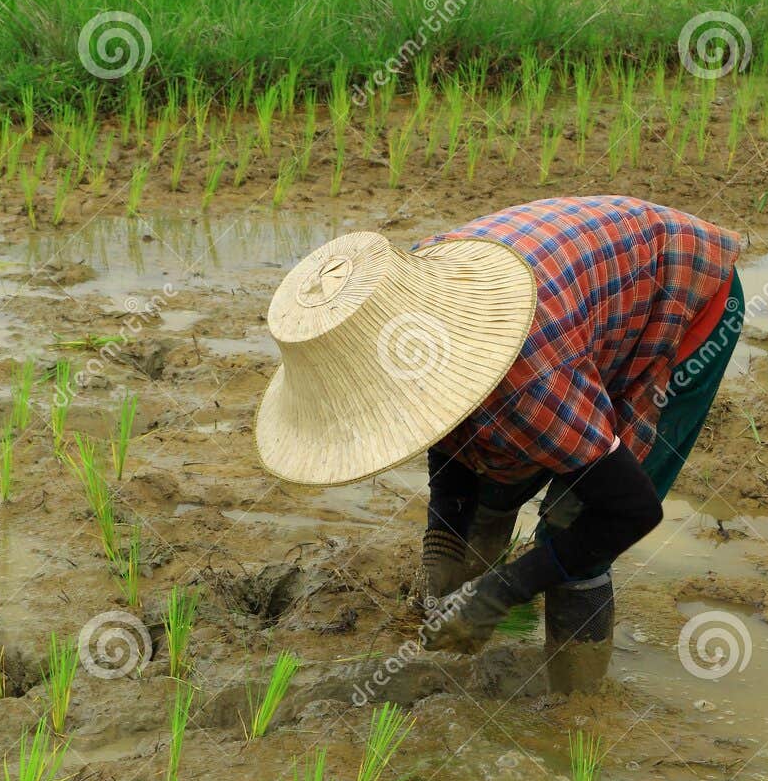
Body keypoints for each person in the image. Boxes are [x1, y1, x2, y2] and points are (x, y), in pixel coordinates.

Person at [253, 195, 743, 692]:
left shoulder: (531, 380)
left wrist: (500, 592)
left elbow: (632, 511)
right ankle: (479, 625)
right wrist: (443, 539)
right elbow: (439, 425)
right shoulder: (393, 305)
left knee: (572, 521)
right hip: (581, 296)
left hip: (684, 296)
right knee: (490, 477)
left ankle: (574, 714)